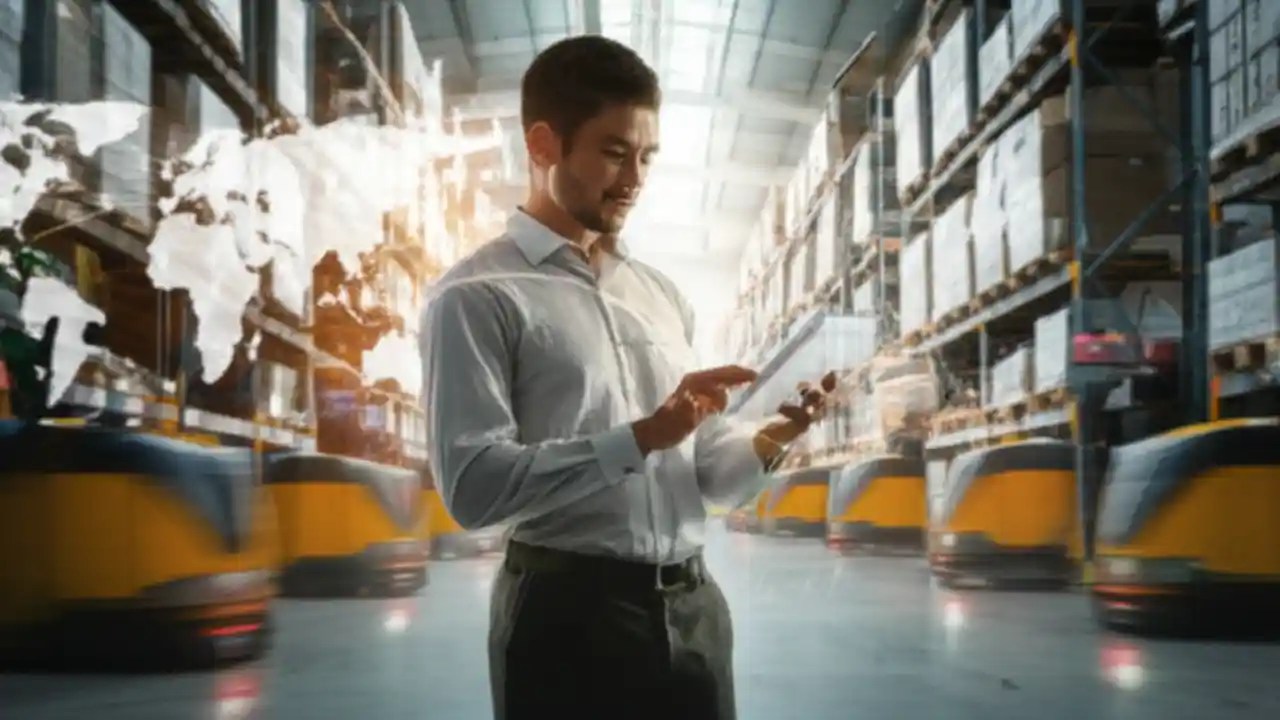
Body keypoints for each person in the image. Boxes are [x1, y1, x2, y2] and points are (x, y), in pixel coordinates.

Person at [419, 35, 837, 720]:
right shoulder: (476, 295)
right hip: (562, 617)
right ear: (545, 144)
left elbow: (709, 477)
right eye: (615, 152)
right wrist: (640, 437)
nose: (635, 178)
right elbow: (473, 488)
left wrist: (773, 436)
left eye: (646, 156)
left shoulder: (661, 296)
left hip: (695, 610)